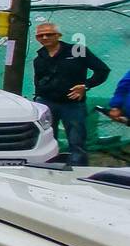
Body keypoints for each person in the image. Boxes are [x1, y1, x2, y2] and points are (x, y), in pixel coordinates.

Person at [32, 21, 110, 166]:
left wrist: (85, 86)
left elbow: (102, 70)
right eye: (40, 35)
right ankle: (48, 170)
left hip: (72, 104)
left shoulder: (77, 50)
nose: (44, 37)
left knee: (77, 142)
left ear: (58, 35)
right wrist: (37, 98)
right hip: (46, 103)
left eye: (49, 34)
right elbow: (38, 80)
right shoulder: (39, 58)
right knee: (46, 141)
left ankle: (78, 174)